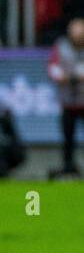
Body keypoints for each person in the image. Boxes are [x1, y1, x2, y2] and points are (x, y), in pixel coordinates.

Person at [47, 18, 84, 179]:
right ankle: (68, 166)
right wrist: (64, 77)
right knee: (67, 138)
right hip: (68, 101)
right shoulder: (61, 46)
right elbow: (52, 68)